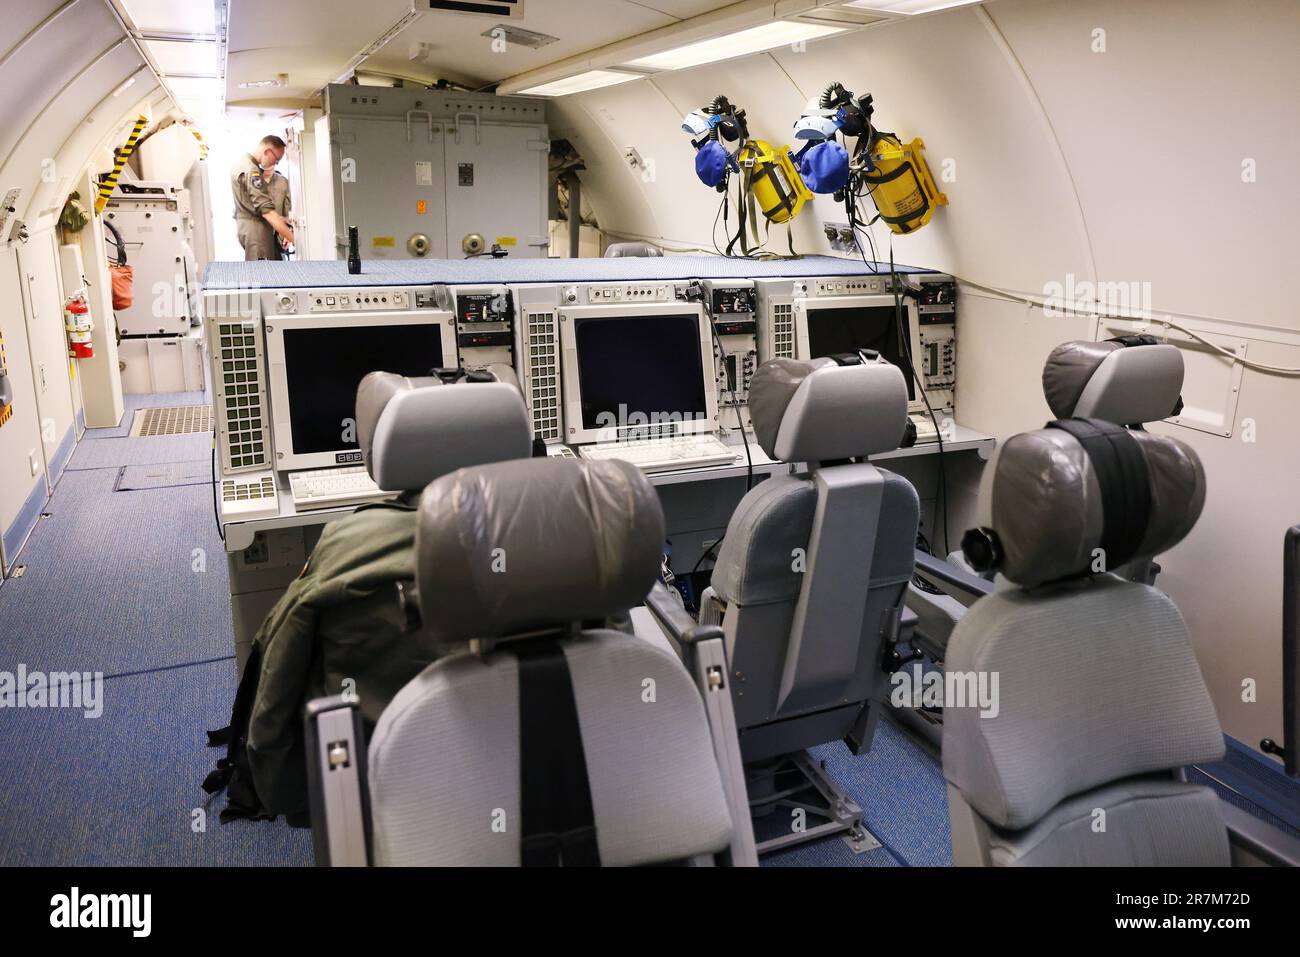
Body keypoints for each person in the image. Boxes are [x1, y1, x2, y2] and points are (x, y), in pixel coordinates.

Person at [231, 135, 294, 260]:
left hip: (251, 230)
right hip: (257, 234)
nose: (275, 164)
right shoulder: (251, 170)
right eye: (276, 160)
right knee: (262, 271)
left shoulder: (242, 163)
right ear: (266, 152)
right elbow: (267, 212)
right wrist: (294, 239)